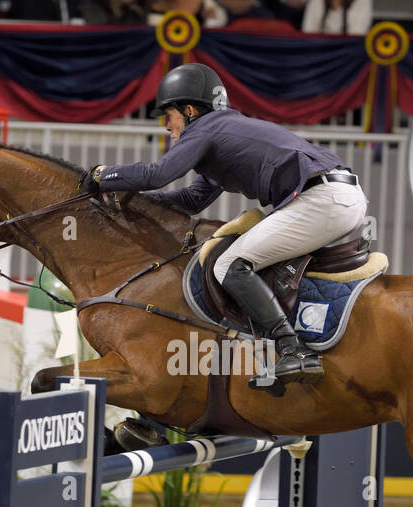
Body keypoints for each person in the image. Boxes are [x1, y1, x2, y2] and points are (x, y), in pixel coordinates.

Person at [77, 63, 368, 389]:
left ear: (189, 110)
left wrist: (104, 175)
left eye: (168, 117)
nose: (167, 127)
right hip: (339, 195)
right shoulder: (225, 132)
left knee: (230, 264)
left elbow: (157, 173)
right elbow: (192, 199)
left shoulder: (205, 129)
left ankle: (292, 349)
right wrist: (136, 205)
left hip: (323, 199)